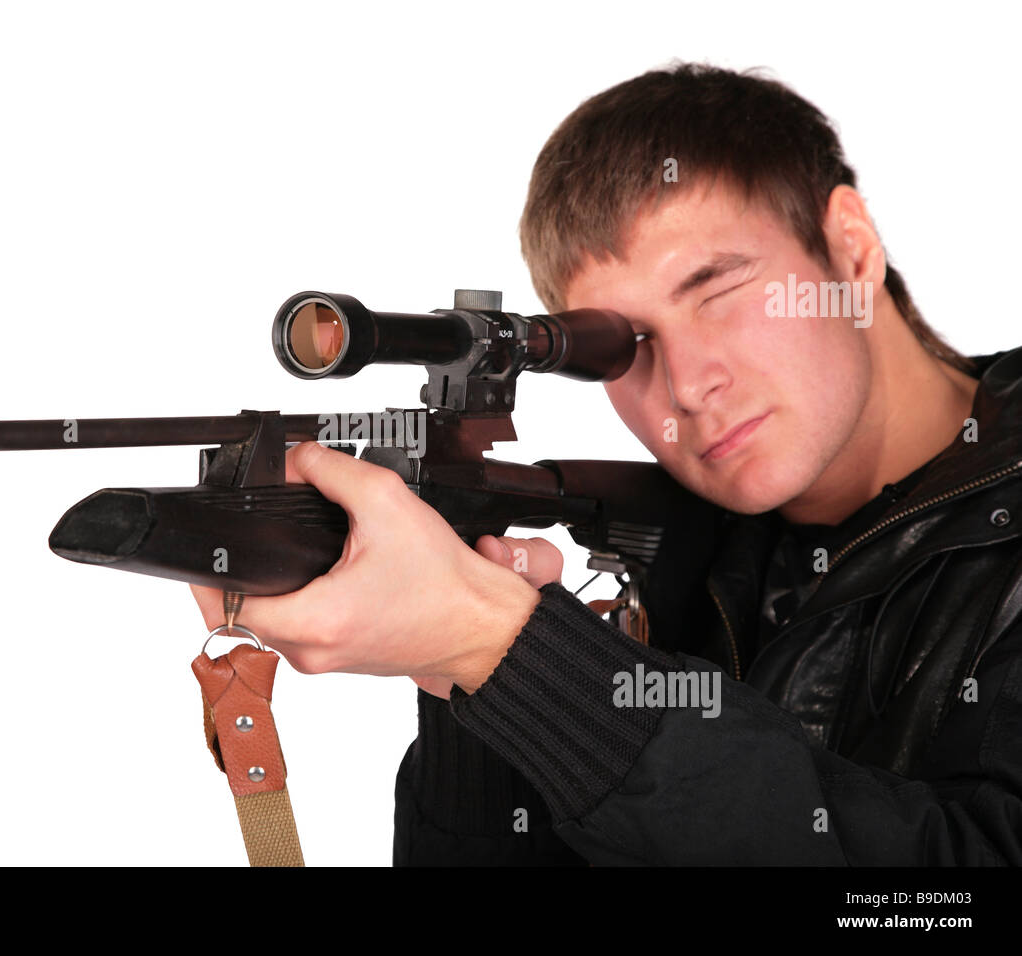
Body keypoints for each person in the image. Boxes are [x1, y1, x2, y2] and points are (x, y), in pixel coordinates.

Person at [190, 63, 1022, 864]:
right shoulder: (658, 563)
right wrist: (471, 682)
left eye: (718, 291)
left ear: (850, 247)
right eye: (627, 347)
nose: (691, 385)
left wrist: (513, 654)